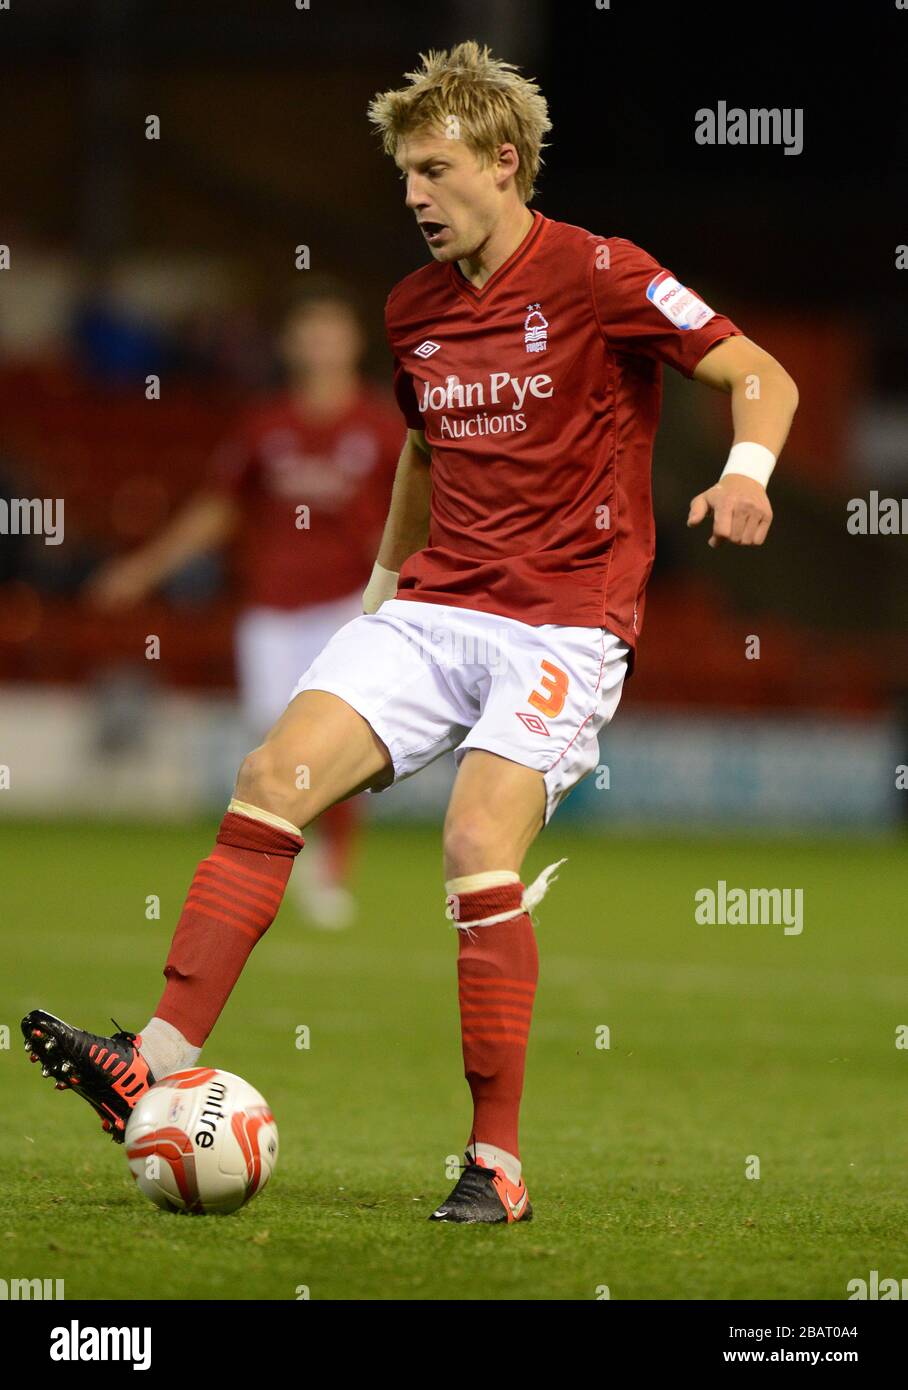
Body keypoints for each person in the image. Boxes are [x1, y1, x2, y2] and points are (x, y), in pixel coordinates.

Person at [23, 42, 797, 1224]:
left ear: (502, 162)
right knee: (270, 774)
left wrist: (745, 475)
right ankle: (155, 1055)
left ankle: (495, 1163)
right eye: (402, 177)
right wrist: (384, 584)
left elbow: (761, 374)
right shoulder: (413, 309)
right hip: (435, 605)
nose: (414, 198)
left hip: (564, 622)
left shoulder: (600, 273)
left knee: (474, 838)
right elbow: (424, 450)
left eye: (432, 172)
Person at [87, 284, 402, 927]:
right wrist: (145, 568)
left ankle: (328, 871)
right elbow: (219, 508)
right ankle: (278, 864)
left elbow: (417, 507)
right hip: (270, 608)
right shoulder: (266, 426)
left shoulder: (381, 424)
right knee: (275, 747)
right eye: (307, 331)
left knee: (338, 742)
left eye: (330, 330)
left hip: (350, 601)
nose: (318, 344)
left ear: (353, 342)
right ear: (290, 346)